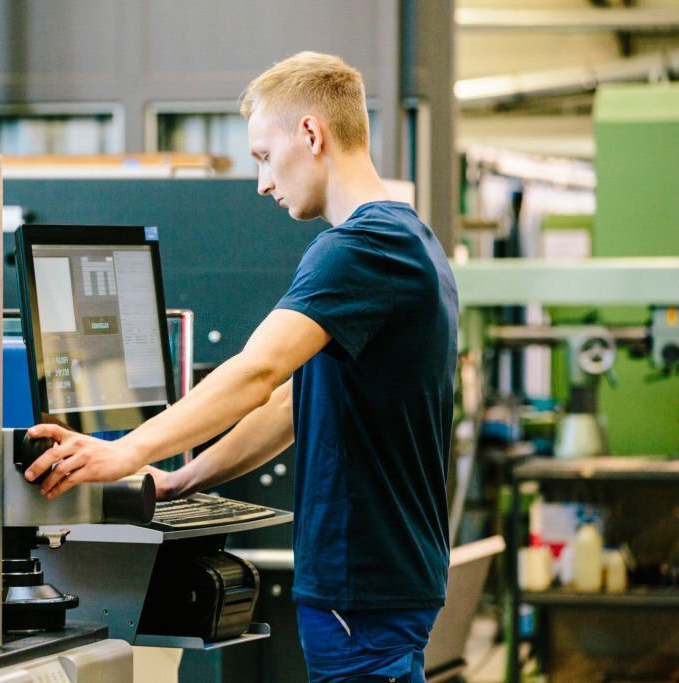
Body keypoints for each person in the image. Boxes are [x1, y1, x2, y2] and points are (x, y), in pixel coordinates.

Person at [24, 51, 458, 683]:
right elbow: (290, 403)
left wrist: (123, 453)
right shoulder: (406, 238)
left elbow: (257, 373)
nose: (261, 182)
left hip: (360, 588)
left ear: (310, 134)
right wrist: (179, 482)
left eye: (263, 155)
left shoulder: (362, 247)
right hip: (379, 580)